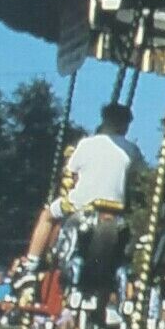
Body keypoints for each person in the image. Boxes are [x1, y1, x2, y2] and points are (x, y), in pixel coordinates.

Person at [20, 103, 144, 272]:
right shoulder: (132, 149)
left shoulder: (86, 144)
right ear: (124, 124)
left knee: (47, 215)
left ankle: (31, 262)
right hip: (115, 206)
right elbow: (137, 177)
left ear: (105, 121)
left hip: (82, 202)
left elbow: (70, 173)